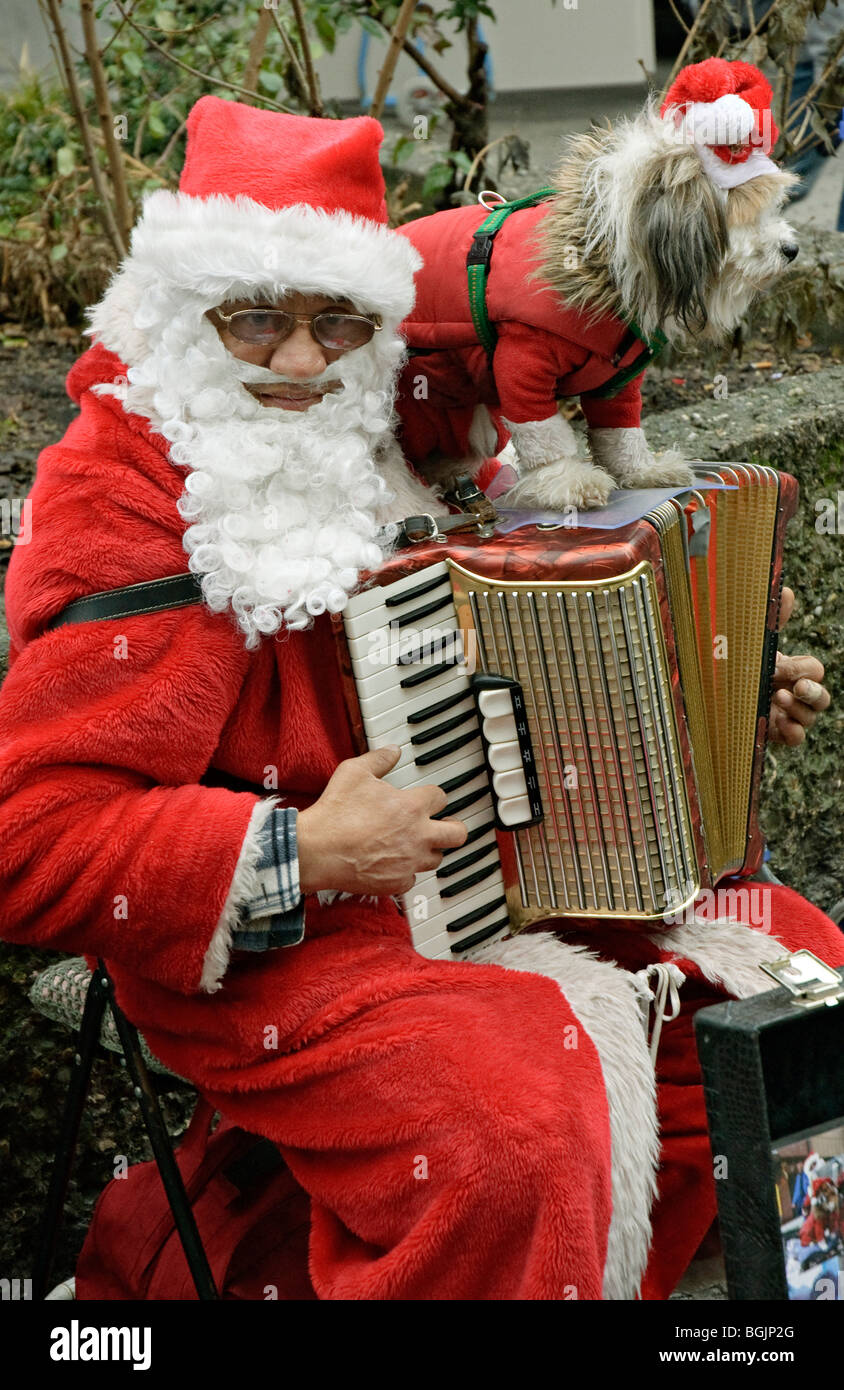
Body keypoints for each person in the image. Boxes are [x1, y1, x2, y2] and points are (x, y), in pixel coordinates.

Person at [0, 96, 841, 1302]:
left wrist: (709, 703)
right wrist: (299, 848)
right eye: (253, 318)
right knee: (514, 1135)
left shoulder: (419, 420)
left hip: (495, 870)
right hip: (272, 937)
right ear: (185, 315)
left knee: (799, 979)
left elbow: (537, 662)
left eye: (336, 320)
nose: (301, 360)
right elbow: (30, 842)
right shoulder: (120, 489)